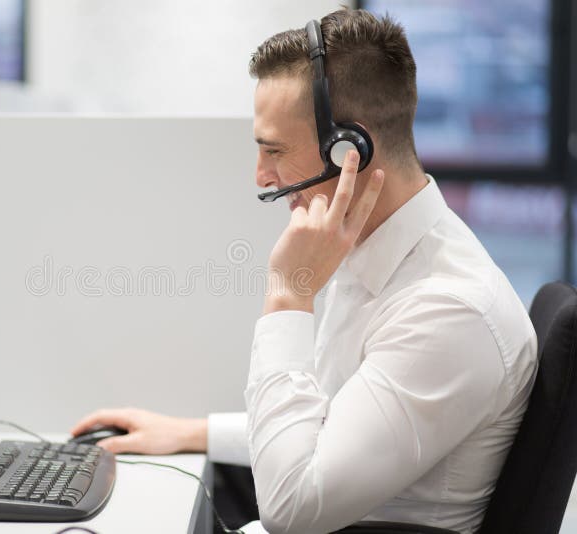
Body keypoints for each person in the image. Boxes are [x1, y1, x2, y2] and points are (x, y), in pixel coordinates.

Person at [70, 8, 537, 533]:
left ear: (349, 151)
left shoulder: (450, 311)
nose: (261, 177)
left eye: (274, 150)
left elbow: (293, 507)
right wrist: (192, 432)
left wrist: (288, 295)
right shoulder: (373, 254)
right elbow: (331, 426)